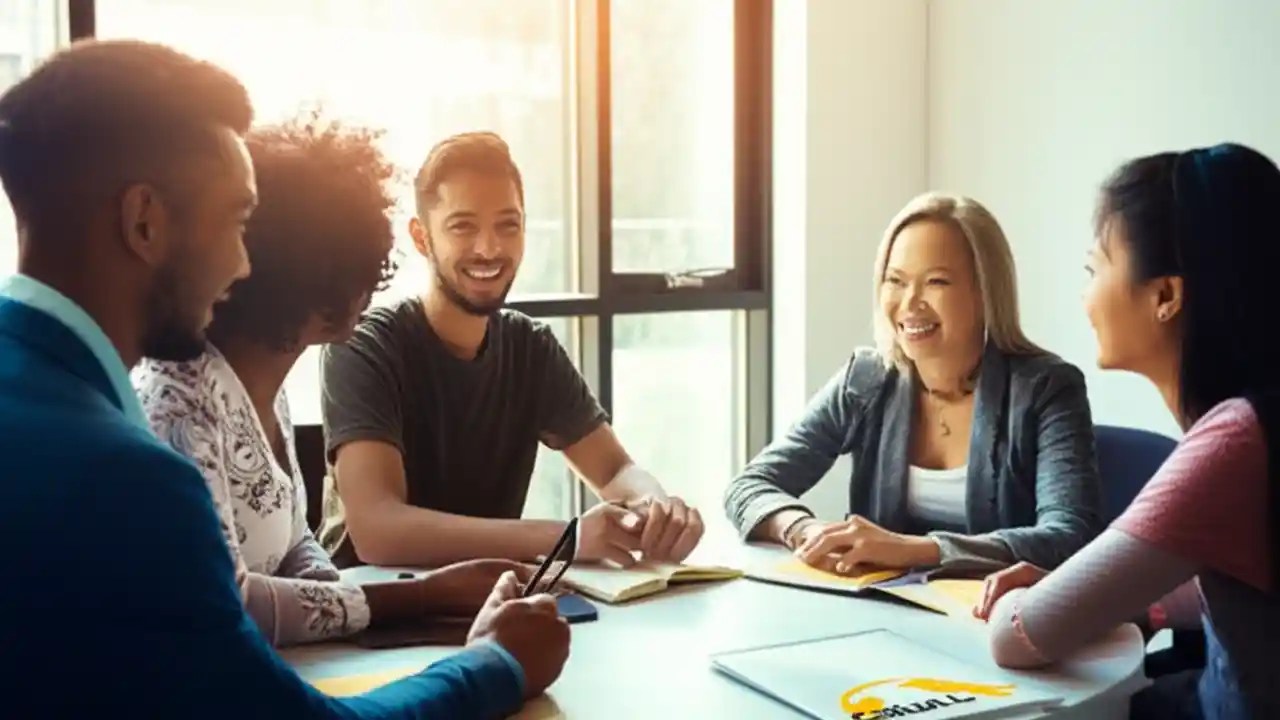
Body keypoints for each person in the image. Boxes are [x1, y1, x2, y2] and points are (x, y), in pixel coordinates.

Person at [0, 39, 566, 717]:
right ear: (143, 220)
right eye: (238, 222)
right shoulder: (131, 480)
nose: (245, 266)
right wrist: (496, 663)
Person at [133, 113, 533, 648]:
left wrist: (370, 617)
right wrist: (421, 596)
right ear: (310, 276)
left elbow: (295, 541)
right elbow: (228, 601)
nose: (372, 281)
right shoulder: (178, 404)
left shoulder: (264, 389)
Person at [976, 143, 1280, 720]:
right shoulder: (1257, 423)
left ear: (1165, 295)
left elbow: (1018, 635)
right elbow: (1239, 582)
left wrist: (1016, 599)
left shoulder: (1234, 443)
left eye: (1094, 269)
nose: (1085, 297)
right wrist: (1103, 596)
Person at [318, 131, 704, 568]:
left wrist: (654, 509)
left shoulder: (529, 347)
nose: (489, 249)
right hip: (368, 613)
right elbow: (379, 532)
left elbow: (615, 472)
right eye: (463, 226)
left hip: (490, 601)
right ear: (422, 238)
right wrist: (568, 538)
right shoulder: (364, 347)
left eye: (508, 225)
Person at [724, 192, 1102, 575]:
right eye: (895, 281)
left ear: (986, 292)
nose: (910, 302)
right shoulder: (867, 381)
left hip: (997, 618)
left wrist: (915, 550)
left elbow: (1069, 536)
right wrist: (804, 530)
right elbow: (750, 486)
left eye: (936, 282)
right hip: (883, 611)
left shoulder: (1046, 389)